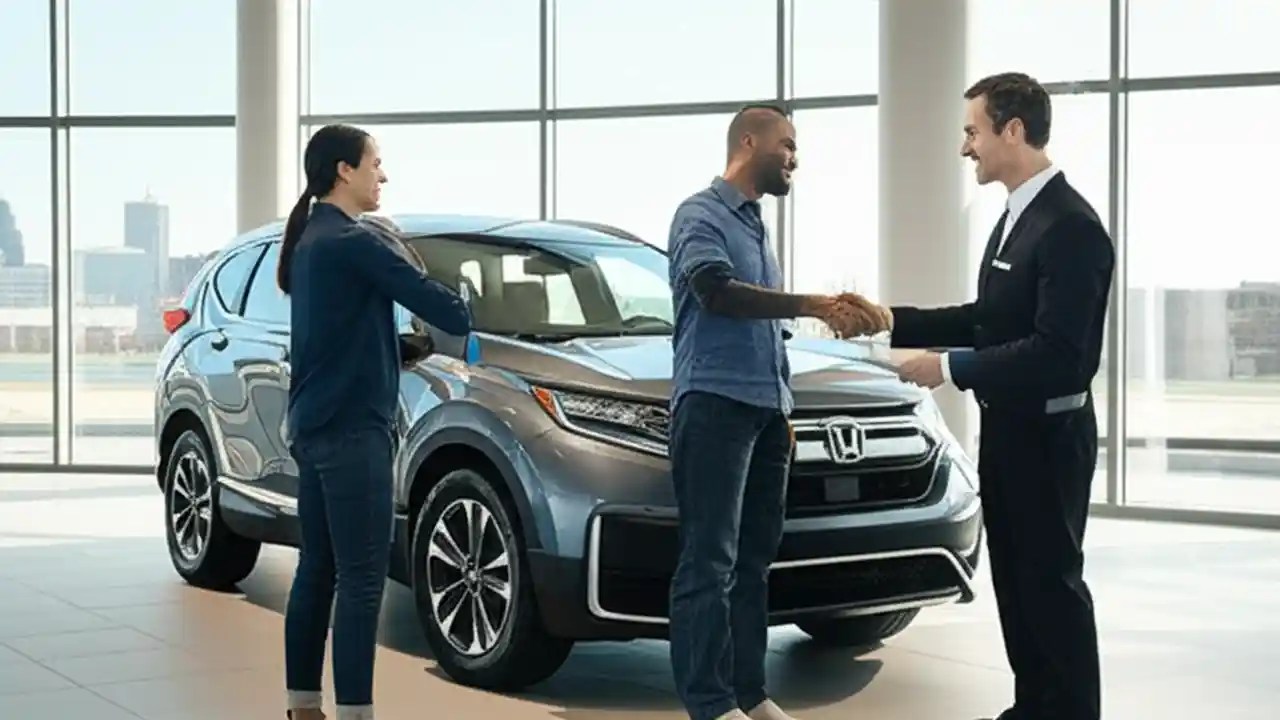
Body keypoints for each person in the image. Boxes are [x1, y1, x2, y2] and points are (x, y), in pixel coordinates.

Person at [882, 73, 1113, 720]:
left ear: (1012, 130)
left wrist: (950, 368)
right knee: (1014, 584)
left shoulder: (1070, 227)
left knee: (1051, 587)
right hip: (1009, 433)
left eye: (972, 132)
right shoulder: (1017, 218)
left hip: (1048, 439)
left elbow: (1060, 356)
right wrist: (889, 319)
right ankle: (1033, 708)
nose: (966, 147)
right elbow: (987, 319)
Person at [666, 103, 890, 720]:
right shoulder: (700, 214)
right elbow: (716, 292)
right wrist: (815, 302)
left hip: (765, 413)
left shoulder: (757, 229)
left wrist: (782, 407)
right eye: (787, 145)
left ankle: (748, 693)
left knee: (754, 562)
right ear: (749, 141)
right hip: (713, 405)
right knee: (708, 561)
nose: (796, 158)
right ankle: (709, 703)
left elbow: (766, 335)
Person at [277, 124, 472, 720]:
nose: (382, 175)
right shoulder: (356, 241)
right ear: (344, 170)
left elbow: (340, 332)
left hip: (313, 426)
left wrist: (395, 351)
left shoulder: (314, 237)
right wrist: (460, 288)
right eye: (376, 164)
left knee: (318, 570)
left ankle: (303, 706)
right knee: (363, 582)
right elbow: (447, 311)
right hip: (353, 432)